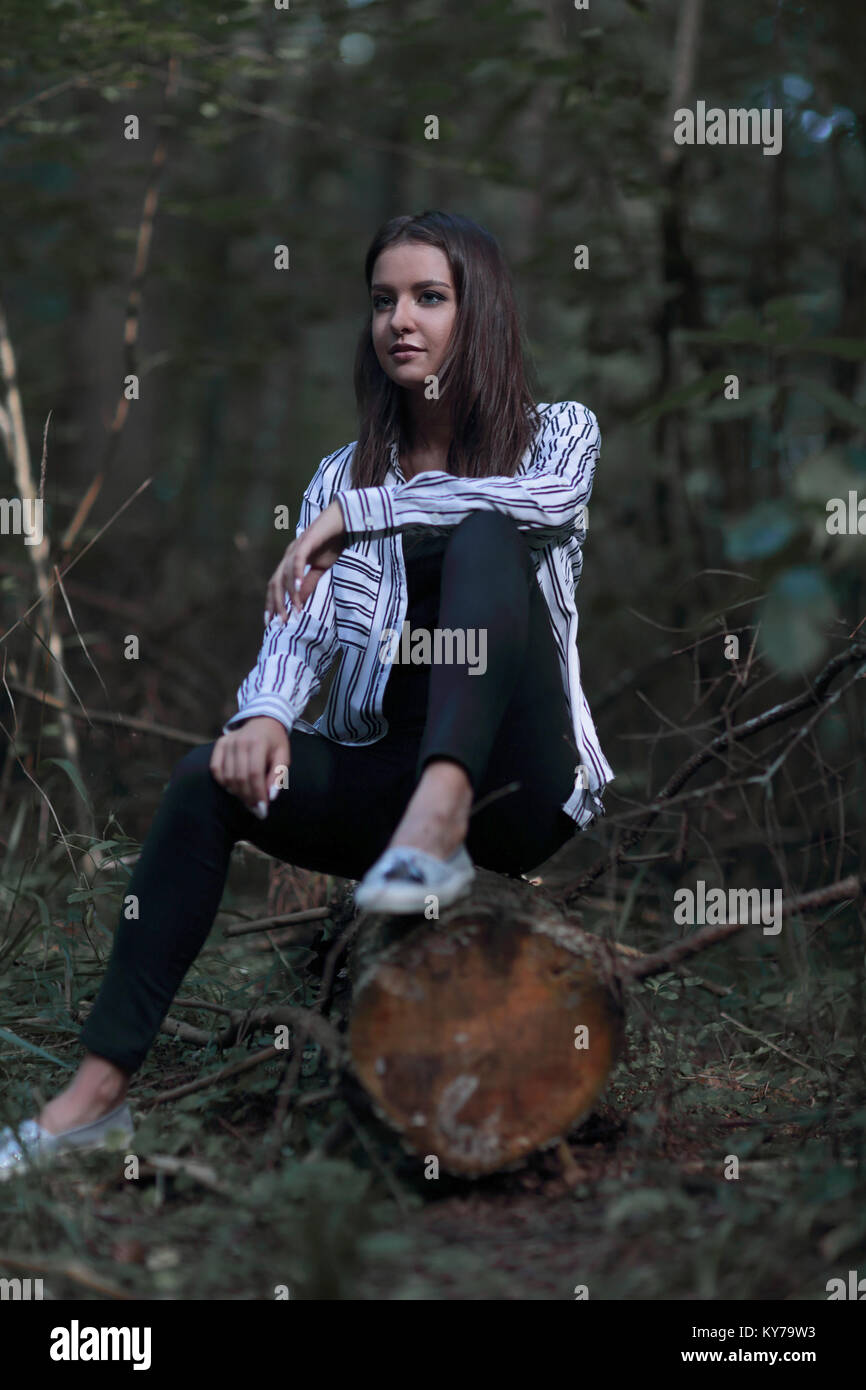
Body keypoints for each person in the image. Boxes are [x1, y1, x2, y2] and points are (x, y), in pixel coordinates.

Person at [0, 209, 614, 1179]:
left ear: (479, 311)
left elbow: (532, 508)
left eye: (428, 297)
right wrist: (264, 715)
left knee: (485, 534)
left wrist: (357, 516)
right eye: (381, 301)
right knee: (204, 780)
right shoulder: (340, 471)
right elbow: (297, 626)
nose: (398, 320)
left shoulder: (554, 436)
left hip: (517, 785)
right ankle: (92, 1100)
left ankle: (440, 815)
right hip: (383, 778)